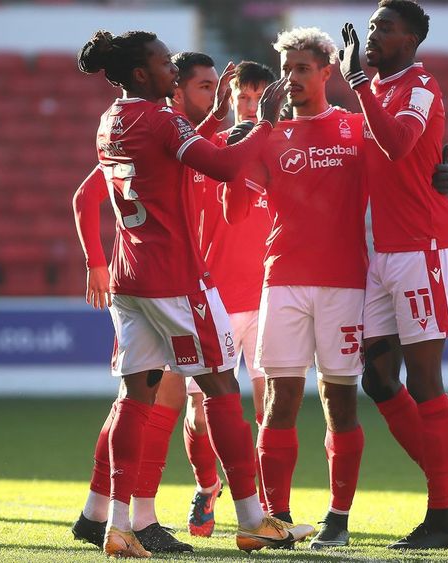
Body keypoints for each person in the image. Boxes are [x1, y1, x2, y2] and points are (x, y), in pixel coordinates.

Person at [71, 29, 312, 557]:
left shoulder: (112, 119)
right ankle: (252, 520)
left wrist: (210, 123)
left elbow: (165, 159)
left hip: (130, 278)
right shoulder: (160, 119)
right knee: (223, 387)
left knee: (135, 399)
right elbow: (225, 166)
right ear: (142, 73)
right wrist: (266, 123)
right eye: (162, 63)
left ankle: (116, 526)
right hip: (175, 278)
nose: (170, 71)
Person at [70, 50, 235, 554]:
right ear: (175, 90)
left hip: (219, 285)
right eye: (205, 87)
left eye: (221, 88)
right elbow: (86, 196)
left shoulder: (191, 136)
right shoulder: (163, 135)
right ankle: (139, 518)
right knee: (152, 402)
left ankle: (100, 513)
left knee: (143, 401)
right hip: (174, 284)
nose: (221, 97)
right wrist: (96, 261)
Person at [223, 27, 369, 550]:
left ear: (327, 72)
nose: (292, 79)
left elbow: (400, 176)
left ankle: (338, 516)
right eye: (286, 70)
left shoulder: (356, 129)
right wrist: (251, 136)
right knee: (278, 402)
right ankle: (277, 518)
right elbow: (235, 210)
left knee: (340, 402)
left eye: (302, 69)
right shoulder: (271, 135)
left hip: (345, 283)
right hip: (281, 280)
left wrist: (440, 178)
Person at [338, 0, 448, 549]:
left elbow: (396, 144)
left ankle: (439, 519)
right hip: (382, 253)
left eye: (385, 28)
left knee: (423, 381)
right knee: (375, 376)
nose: (373, 35)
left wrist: (357, 83)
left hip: (424, 247)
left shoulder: (420, 86)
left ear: (412, 39)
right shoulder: (379, 90)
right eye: (371, 26)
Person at [183, 60, 278, 538]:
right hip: (212, 301)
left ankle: (263, 504)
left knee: (270, 409)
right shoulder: (206, 151)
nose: (250, 105)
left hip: (267, 299)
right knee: (200, 416)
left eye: (260, 99)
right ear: (230, 98)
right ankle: (207, 486)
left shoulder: (278, 155)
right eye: (243, 96)